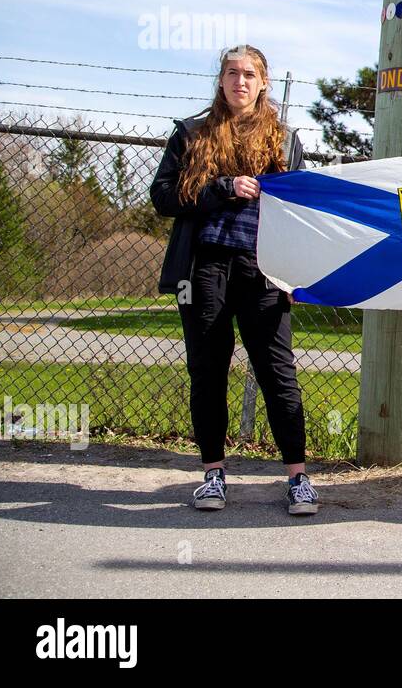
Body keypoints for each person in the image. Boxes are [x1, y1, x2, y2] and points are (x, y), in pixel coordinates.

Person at [150, 45, 319, 516]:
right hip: (204, 269)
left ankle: (298, 478)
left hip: (262, 269)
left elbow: (299, 211)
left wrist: (295, 274)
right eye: (231, 73)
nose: (240, 81)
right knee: (207, 371)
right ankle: (213, 474)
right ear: (221, 81)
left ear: (263, 83)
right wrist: (221, 189)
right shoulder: (191, 133)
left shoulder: (284, 139)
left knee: (277, 372)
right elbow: (163, 197)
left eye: (249, 74)